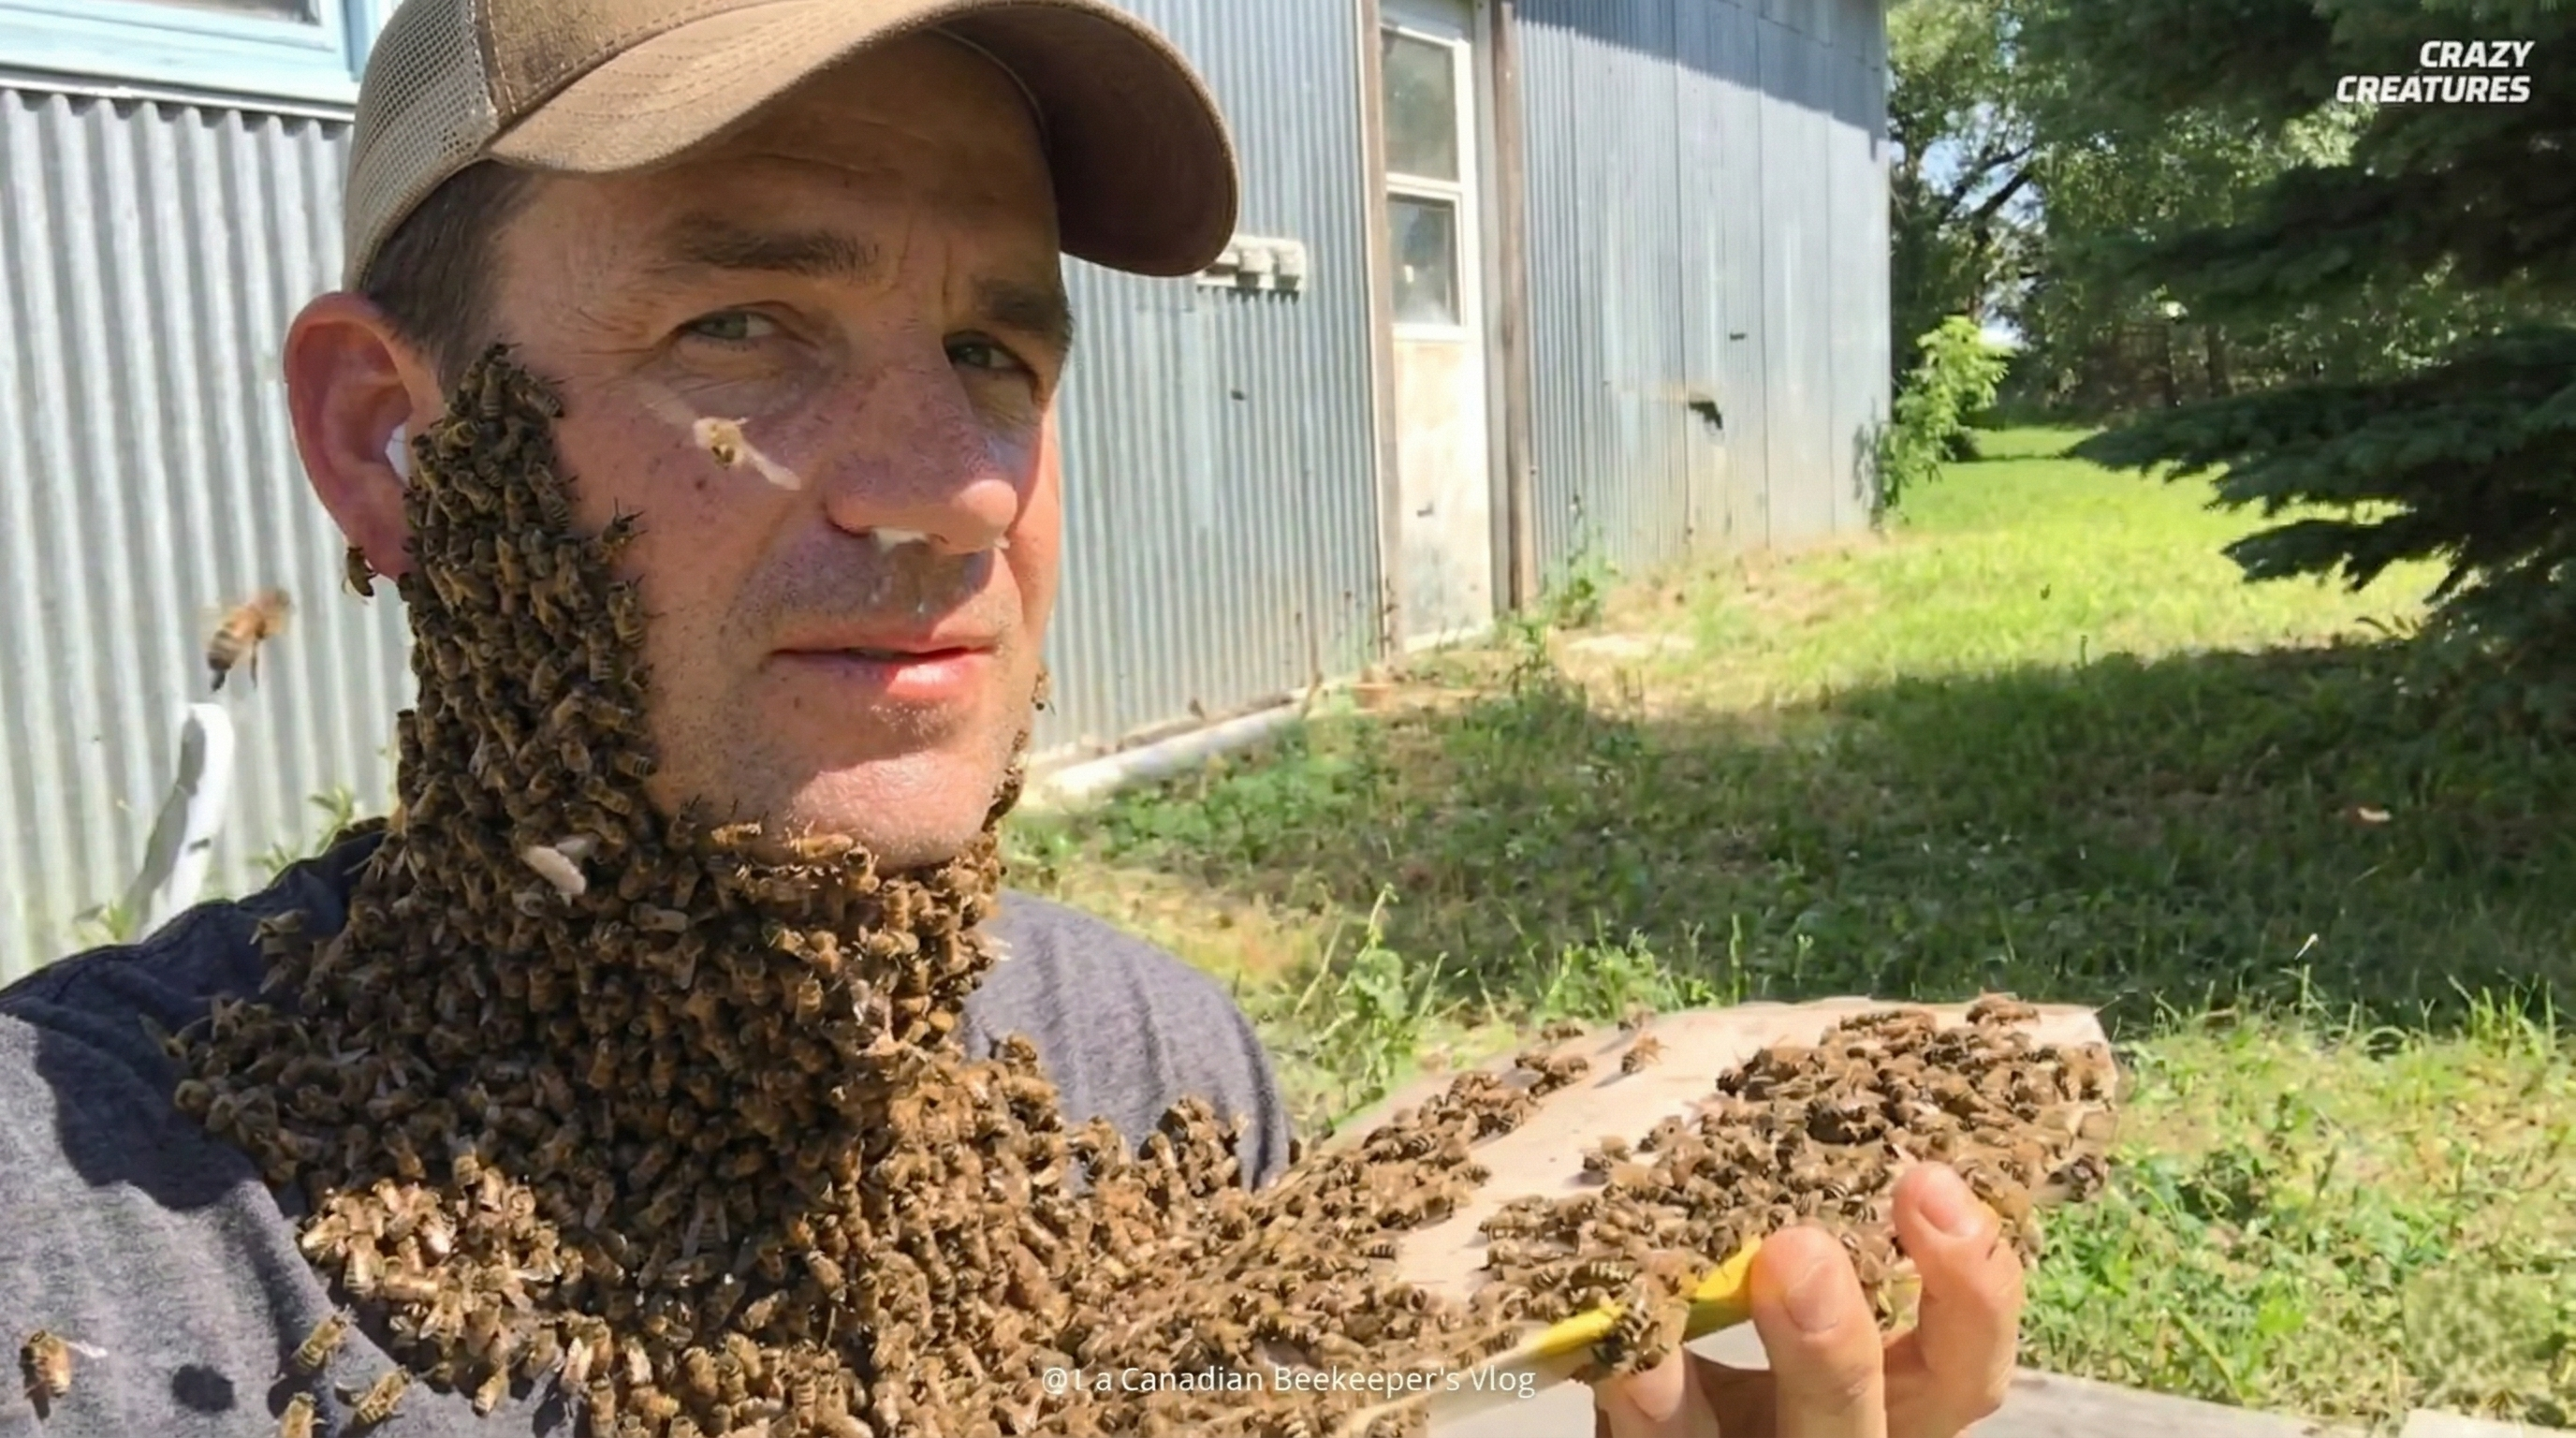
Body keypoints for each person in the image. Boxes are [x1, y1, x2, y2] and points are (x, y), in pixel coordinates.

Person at [0, 0, 2025, 1433]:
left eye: (990, 348)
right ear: (391, 444)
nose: (952, 483)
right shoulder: (86, 1248)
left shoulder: (1155, 1079)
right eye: (745, 329)